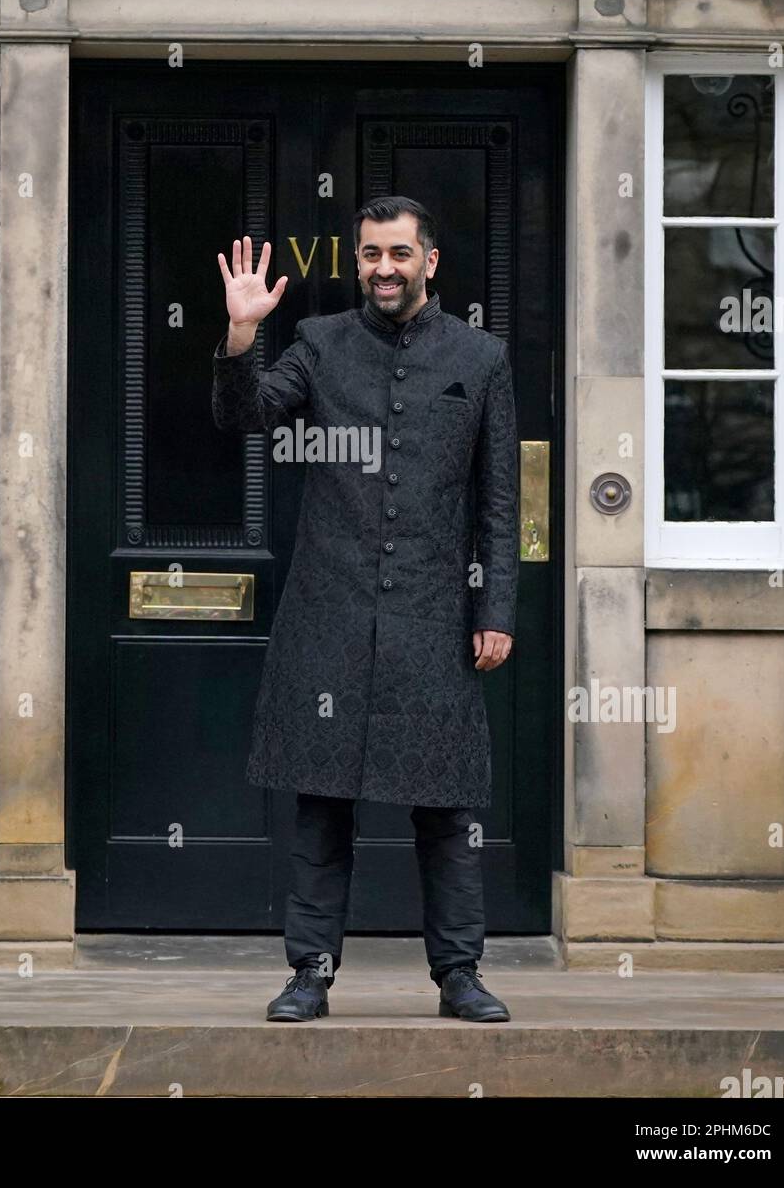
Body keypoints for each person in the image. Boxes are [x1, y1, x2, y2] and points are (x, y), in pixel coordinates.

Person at [212, 196, 519, 1022]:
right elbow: (247, 415)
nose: (384, 268)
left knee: (447, 807)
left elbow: (499, 502)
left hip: (433, 617)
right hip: (331, 614)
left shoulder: (481, 359)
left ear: (430, 262)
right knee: (321, 806)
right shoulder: (320, 345)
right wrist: (243, 335)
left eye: (399, 253)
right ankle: (309, 975)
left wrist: (498, 608)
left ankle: (460, 975)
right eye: (371, 255)